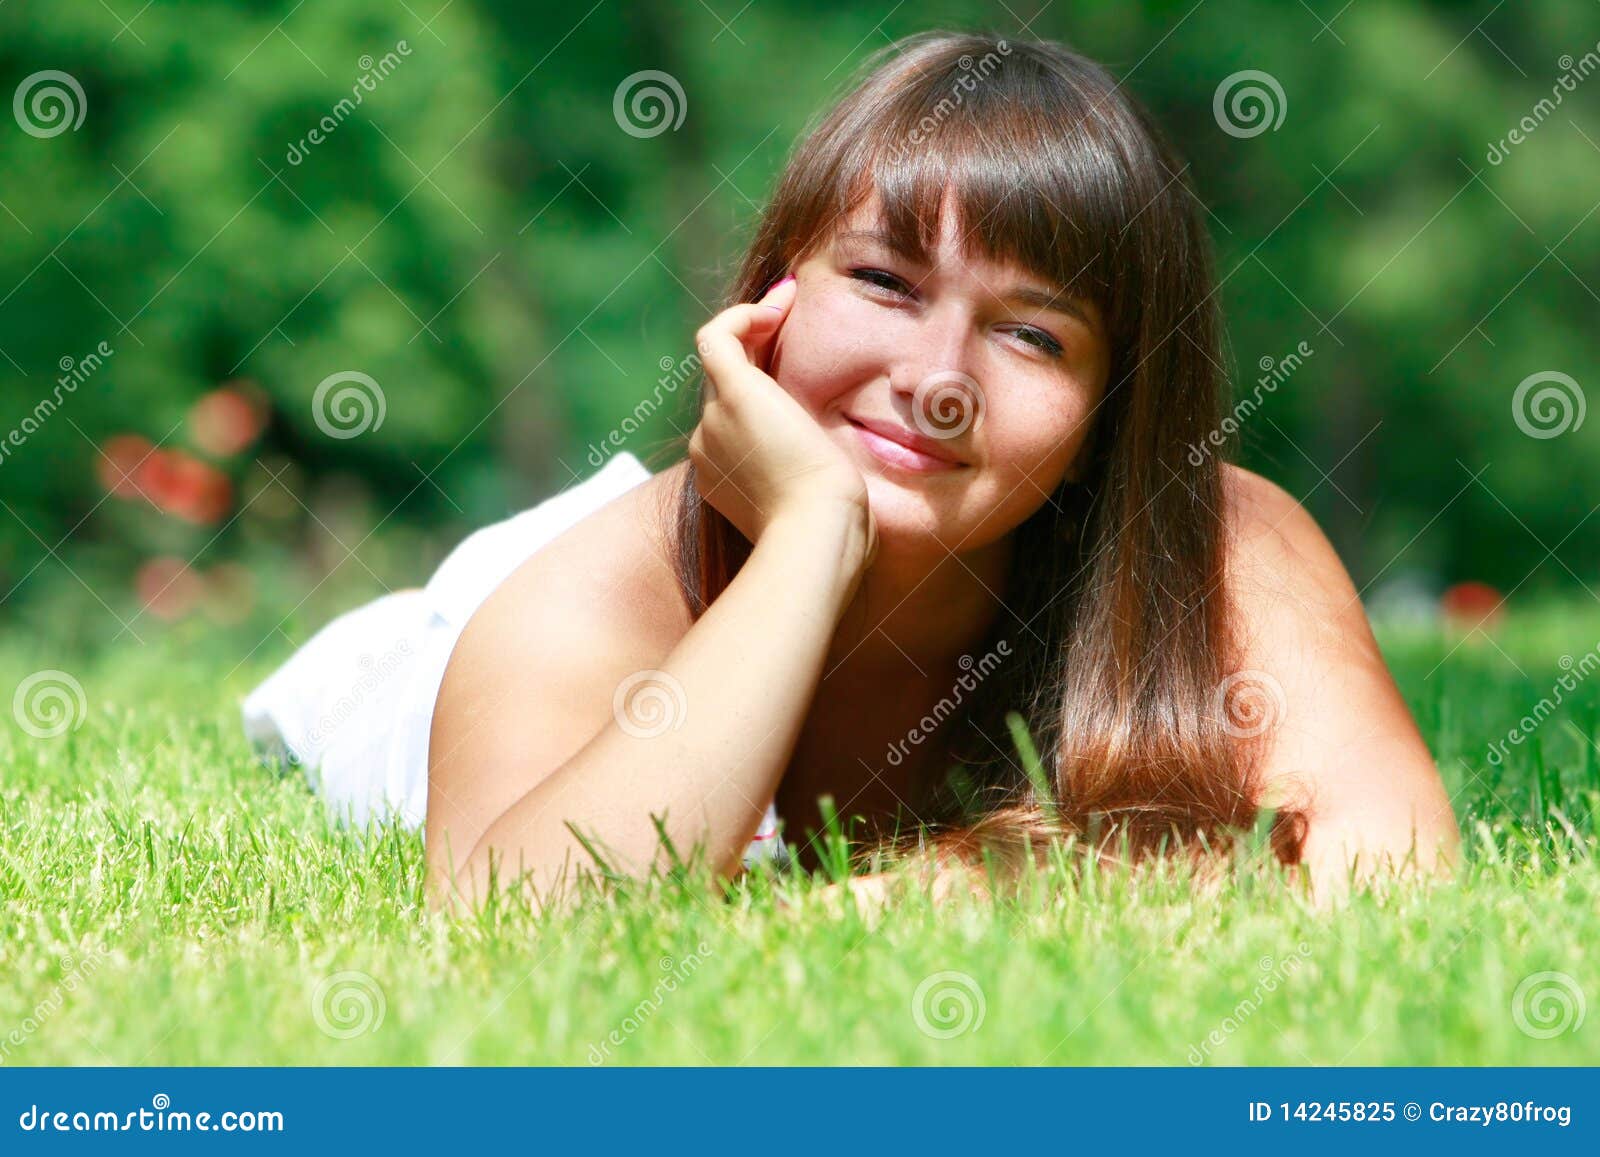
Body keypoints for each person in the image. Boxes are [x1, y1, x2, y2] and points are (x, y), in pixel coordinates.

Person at [244, 29, 1461, 916]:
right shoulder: (593, 593)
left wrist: (890, 900)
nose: (938, 376)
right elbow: (526, 932)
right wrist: (811, 533)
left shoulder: (1214, 539)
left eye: (1032, 334)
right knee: (371, 671)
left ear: (1109, 411)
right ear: (772, 292)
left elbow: (1395, 866)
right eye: (884, 282)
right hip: (433, 648)